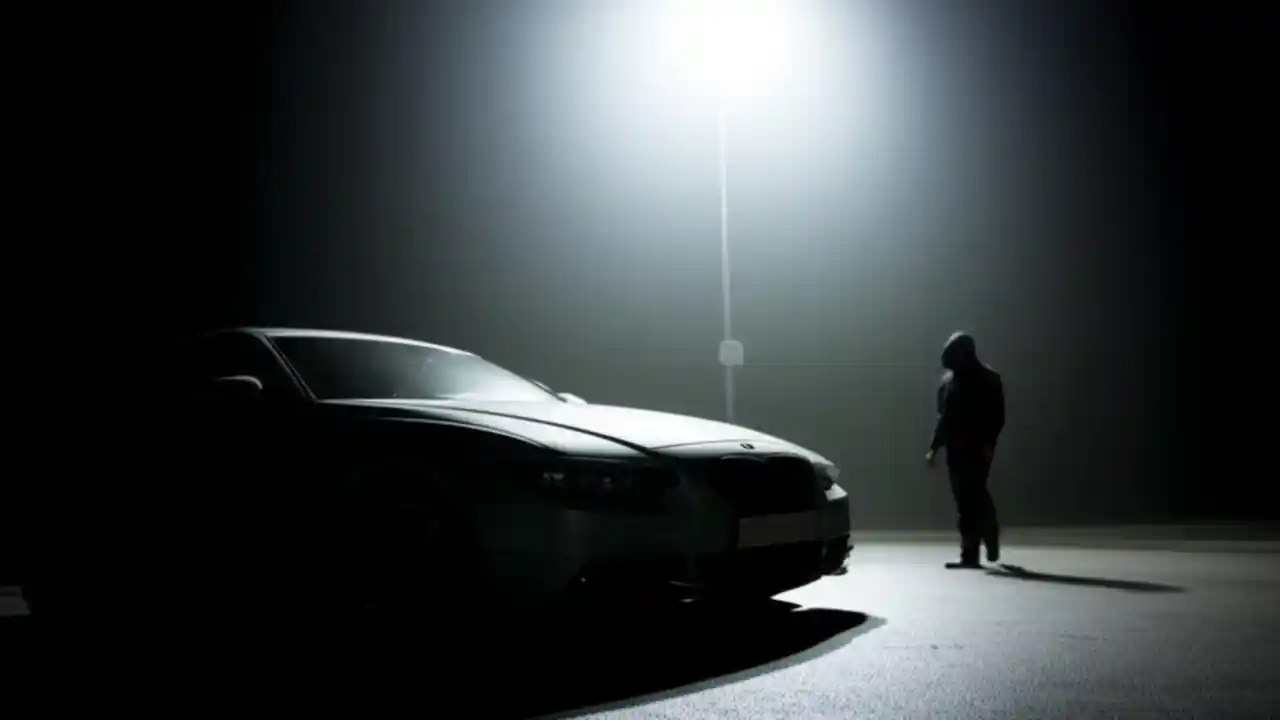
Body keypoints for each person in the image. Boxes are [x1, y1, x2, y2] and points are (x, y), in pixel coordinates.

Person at [925, 331, 1004, 568]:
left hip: (977, 446)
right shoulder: (948, 384)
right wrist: (934, 447)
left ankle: (981, 541)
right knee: (964, 498)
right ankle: (975, 547)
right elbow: (944, 418)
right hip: (956, 448)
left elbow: (997, 416)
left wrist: (990, 442)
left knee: (974, 494)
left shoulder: (989, 380)